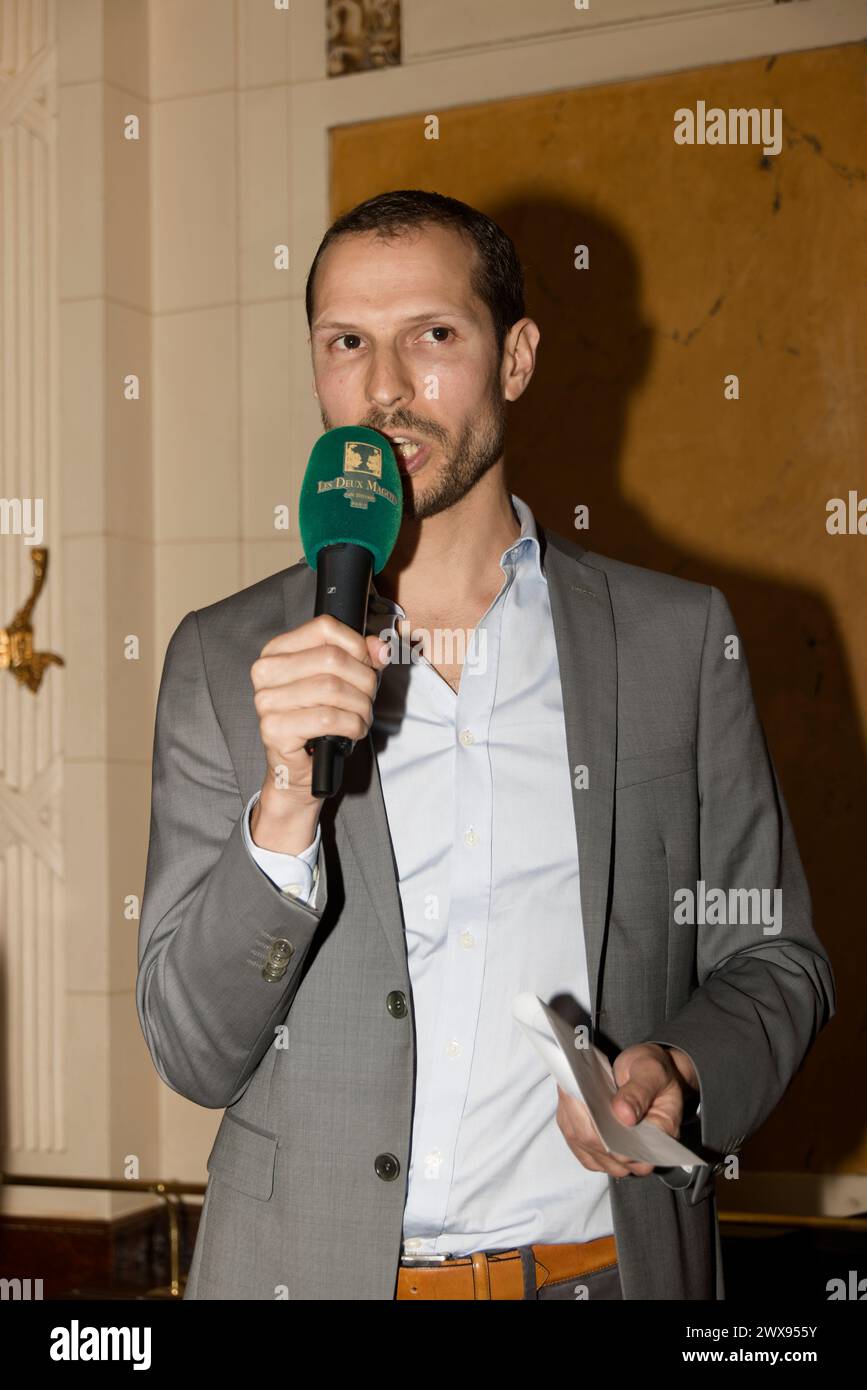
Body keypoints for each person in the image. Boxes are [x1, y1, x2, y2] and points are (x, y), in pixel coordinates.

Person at [136, 189, 836, 1301]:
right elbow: (193, 1049)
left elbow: (776, 959)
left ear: (515, 358)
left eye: (434, 336)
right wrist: (283, 808)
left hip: (598, 1273)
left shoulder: (674, 641)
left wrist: (681, 1066)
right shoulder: (229, 658)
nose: (385, 389)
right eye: (347, 342)